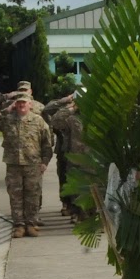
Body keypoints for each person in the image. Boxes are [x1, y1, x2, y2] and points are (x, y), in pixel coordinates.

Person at [0, 87, 54, 237]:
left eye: (24, 103)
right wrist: (6, 110)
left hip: (33, 164)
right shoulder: (7, 119)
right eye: (19, 103)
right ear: (15, 104)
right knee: (15, 195)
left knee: (32, 195)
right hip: (13, 164)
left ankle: (31, 223)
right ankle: (19, 225)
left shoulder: (38, 120)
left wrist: (45, 162)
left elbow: (46, 144)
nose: (21, 105)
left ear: (30, 104)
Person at [48, 93, 84, 221]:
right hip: (73, 157)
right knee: (74, 187)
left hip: (91, 159)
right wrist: (70, 108)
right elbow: (55, 121)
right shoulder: (71, 117)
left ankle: (92, 215)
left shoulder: (96, 116)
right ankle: (77, 213)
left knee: (93, 188)